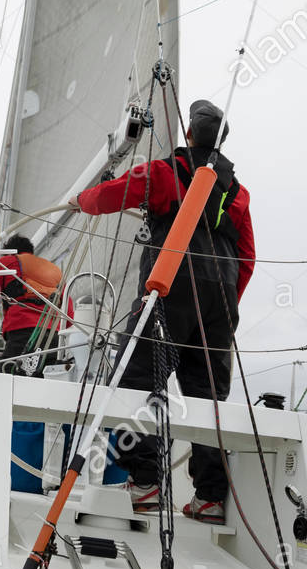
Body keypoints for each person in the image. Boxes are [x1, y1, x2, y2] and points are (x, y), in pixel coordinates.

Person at [70, 99, 254, 523]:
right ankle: (209, 497)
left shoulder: (167, 173)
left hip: (171, 286)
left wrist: (82, 200)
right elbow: (247, 257)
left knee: (134, 381)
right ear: (222, 140)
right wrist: (226, 306)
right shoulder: (238, 192)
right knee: (210, 396)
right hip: (221, 301)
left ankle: (147, 481)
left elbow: (115, 194)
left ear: (189, 135)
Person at [0, 236, 74, 376]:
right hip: (54, 338)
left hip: (22, 334)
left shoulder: (7, 262)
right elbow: (69, 315)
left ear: (10, 252)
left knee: (7, 377)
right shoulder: (56, 271)